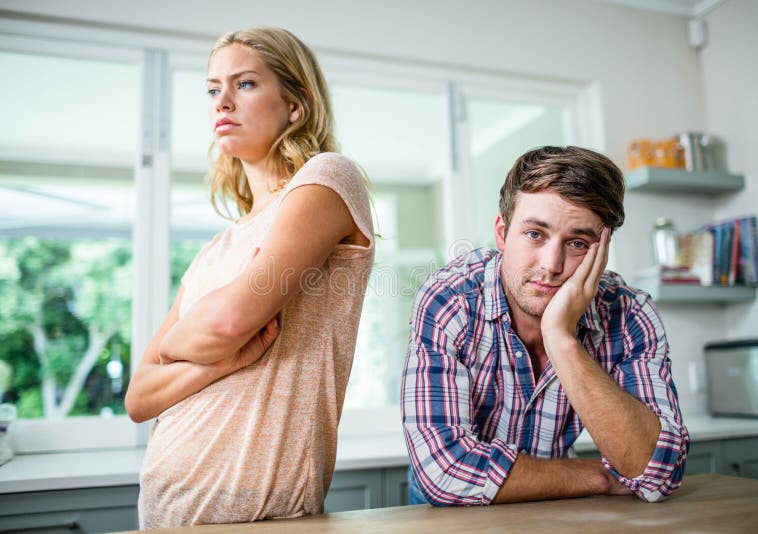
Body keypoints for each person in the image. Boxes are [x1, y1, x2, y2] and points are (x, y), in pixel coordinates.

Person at [124, 27, 374, 528]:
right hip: (165, 511)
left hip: (261, 516)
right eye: (214, 89)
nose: (222, 103)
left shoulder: (327, 180)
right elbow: (137, 398)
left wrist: (182, 345)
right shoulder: (215, 250)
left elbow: (230, 321)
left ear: (296, 105)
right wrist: (214, 366)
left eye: (244, 85)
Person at [401, 146, 688, 506]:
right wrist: (599, 476)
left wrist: (561, 338)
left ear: (603, 252)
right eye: (535, 234)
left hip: (550, 503)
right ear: (502, 234)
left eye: (578, 243)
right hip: (449, 514)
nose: (552, 265)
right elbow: (444, 473)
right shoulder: (450, 299)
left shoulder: (629, 313)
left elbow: (659, 474)